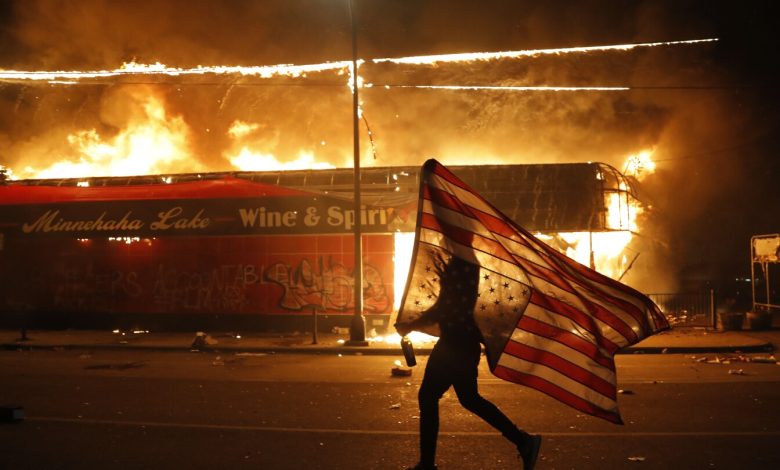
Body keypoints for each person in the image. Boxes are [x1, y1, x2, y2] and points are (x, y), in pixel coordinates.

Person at [396, 255, 542, 470]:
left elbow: (446, 307)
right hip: (460, 343)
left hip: (455, 345)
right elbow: (446, 305)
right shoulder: (463, 260)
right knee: (468, 399)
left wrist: (412, 324)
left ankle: (427, 465)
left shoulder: (463, 263)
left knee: (430, 396)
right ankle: (523, 441)